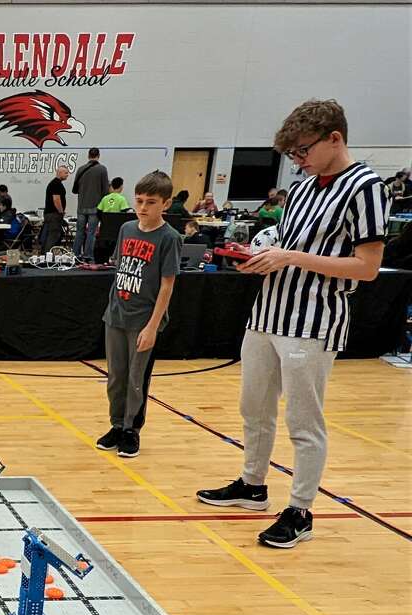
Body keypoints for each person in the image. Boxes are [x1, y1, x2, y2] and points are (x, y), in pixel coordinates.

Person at [198, 99, 387, 548]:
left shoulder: (365, 186)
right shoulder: (301, 188)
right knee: (253, 408)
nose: (298, 162)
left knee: (304, 422)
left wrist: (290, 257)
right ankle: (252, 484)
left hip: (313, 320)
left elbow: (367, 267)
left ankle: (300, 510)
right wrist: (257, 259)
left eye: (303, 152)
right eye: (293, 156)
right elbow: (285, 246)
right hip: (267, 313)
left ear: (334, 138)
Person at [95, 171, 182, 460]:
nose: (143, 208)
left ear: (165, 204)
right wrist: (112, 308)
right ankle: (116, 425)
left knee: (136, 378)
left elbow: (167, 285)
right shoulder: (127, 229)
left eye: (151, 202)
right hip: (117, 315)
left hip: (144, 320)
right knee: (116, 377)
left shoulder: (169, 238)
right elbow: (122, 269)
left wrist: (153, 326)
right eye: (139, 200)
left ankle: (132, 429)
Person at [72, 147, 110, 261]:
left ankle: (76, 255)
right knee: (91, 233)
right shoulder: (102, 169)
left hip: (81, 206)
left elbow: (75, 189)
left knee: (79, 232)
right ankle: (88, 256)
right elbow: (105, 190)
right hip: (95, 207)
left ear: (88, 156)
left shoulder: (80, 169)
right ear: (98, 156)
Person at [41, 165, 70, 250]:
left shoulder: (54, 183)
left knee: (50, 235)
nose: (67, 175)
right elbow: (56, 200)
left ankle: (46, 254)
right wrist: (61, 212)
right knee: (53, 236)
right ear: (59, 172)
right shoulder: (56, 184)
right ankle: (48, 256)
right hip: (54, 214)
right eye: (66, 173)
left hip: (51, 214)